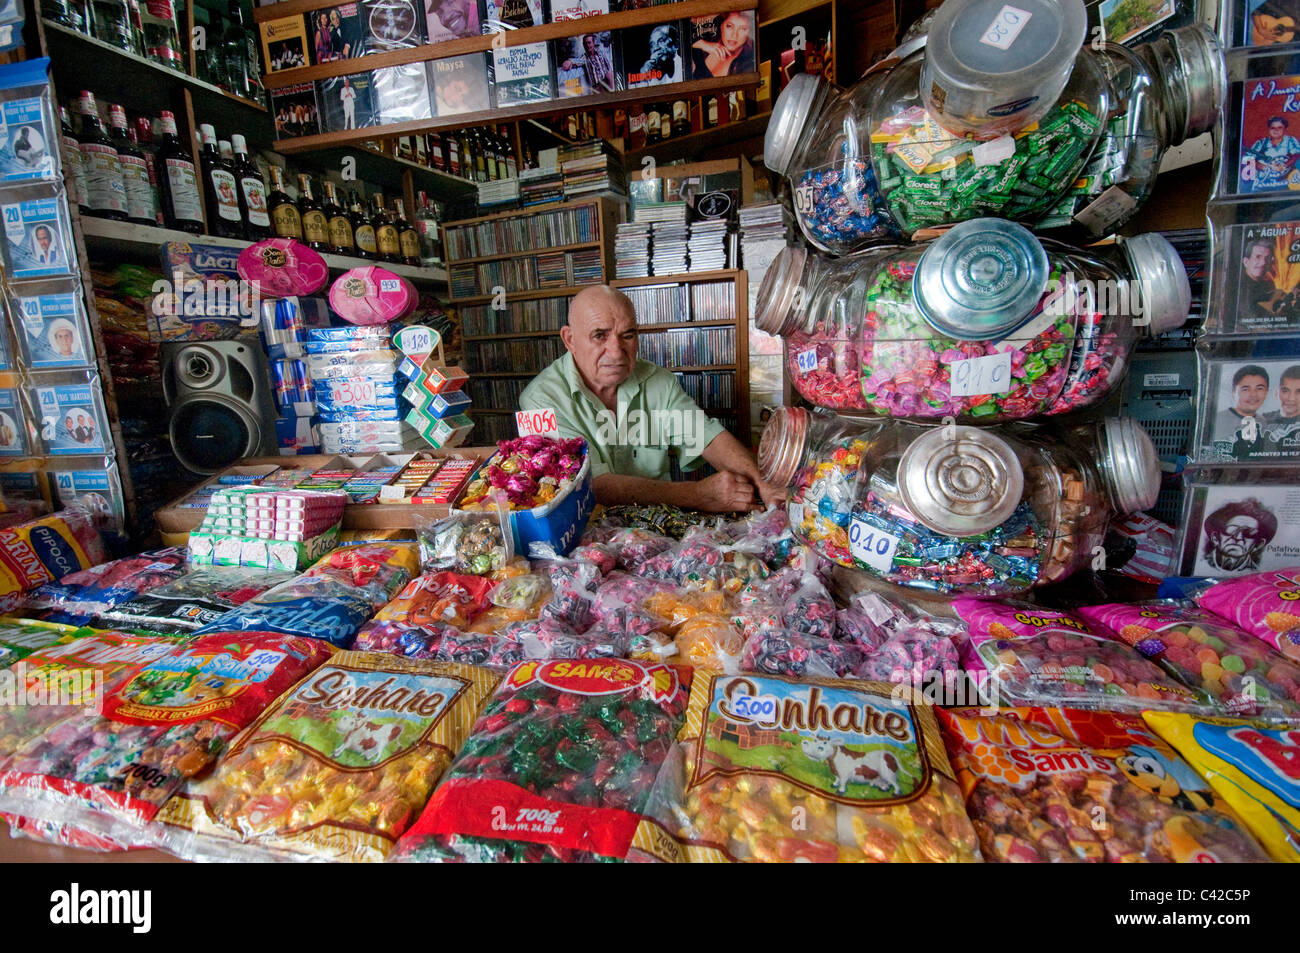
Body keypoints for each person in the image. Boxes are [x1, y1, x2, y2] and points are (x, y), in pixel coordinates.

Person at [518, 285, 785, 512]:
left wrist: (763, 483)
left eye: (627, 336)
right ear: (569, 339)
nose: (616, 352)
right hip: (585, 535)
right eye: (600, 336)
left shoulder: (658, 381)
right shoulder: (538, 401)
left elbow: (706, 435)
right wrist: (698, 495)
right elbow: (587, 486)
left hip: (660, 523)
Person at [1202, 498, 1277, 573]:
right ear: (1215, 538)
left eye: (1248, 534)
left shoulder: (1258, 573)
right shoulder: (1202, 564)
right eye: (1232, 530)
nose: (1238, 538)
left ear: (1258, 545)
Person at [1213, 364, 1271, 454]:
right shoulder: (1217, 420)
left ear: (1267, 392)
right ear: (1233, 393)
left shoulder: (1263, 422)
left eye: (1259, 388)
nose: (1253, 395)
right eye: (1245, 389)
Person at [689, 12, 755, 79]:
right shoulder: (708, 38)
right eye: (729, 26)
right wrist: (701, 44)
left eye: (743, 29)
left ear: (749, 32)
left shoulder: (748, 64)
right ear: (721, 26)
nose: (734, 35)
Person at [1244, 116, 1300, 191]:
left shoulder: (1290, 140)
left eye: (1280, 128)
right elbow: (1247, 159)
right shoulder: (1261, 143)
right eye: (1272, 128)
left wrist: (1284, 165)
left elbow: (1296, 155)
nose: (1276, 130)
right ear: (1269, 129)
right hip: (1264, 183)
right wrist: (1264, 167)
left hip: (1287, 181)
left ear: (1285, 129)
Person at [1262, 364, 1300, 453]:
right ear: (1277, 392)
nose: (1291, 398)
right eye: (1285, 391)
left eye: (1298, 392)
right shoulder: (1261, 421)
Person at [1240, 237, 1280, 310]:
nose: (1263, 262)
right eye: (1258, 257)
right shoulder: (1240, 287)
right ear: (1246, 262)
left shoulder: (1265, 285)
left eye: (1267, 258)